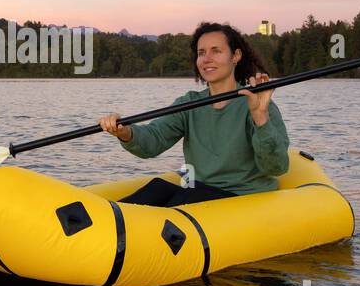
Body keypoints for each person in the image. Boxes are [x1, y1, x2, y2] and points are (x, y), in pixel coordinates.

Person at [98, 22, 290, 207]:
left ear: (236, 56)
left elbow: (276, 167)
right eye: (201, 53)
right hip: (198, 189)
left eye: (216, 51)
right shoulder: (190, 103)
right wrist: (125, 132)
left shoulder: (259, 104)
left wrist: (259, 116)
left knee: (188, 196)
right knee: (158, 188)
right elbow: (154, 139)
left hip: (241, 196)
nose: (207, 59)